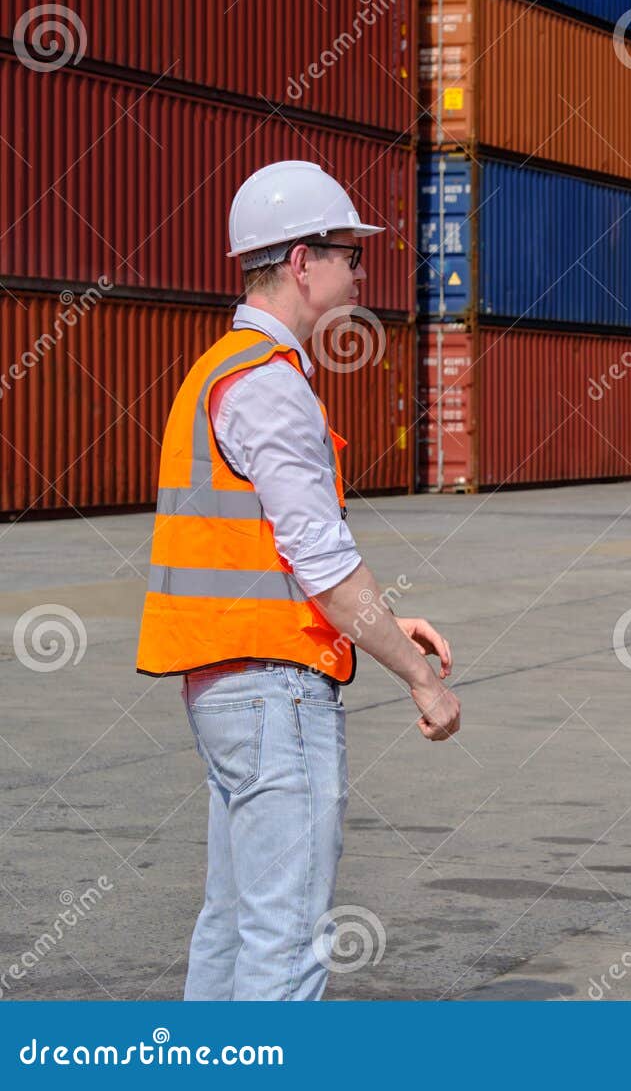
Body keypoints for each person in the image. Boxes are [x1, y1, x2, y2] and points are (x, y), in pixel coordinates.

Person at [136, 161, 464, 1001]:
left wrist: (389, 618)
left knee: (235, 920)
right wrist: (421, 678)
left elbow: (279, 555)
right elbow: (321, 563)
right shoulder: (269, 388)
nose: (360, 272)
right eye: (350, 253)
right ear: (300, 262)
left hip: (223, 683)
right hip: (274, 692)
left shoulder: (217, 370)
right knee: (286, 946)